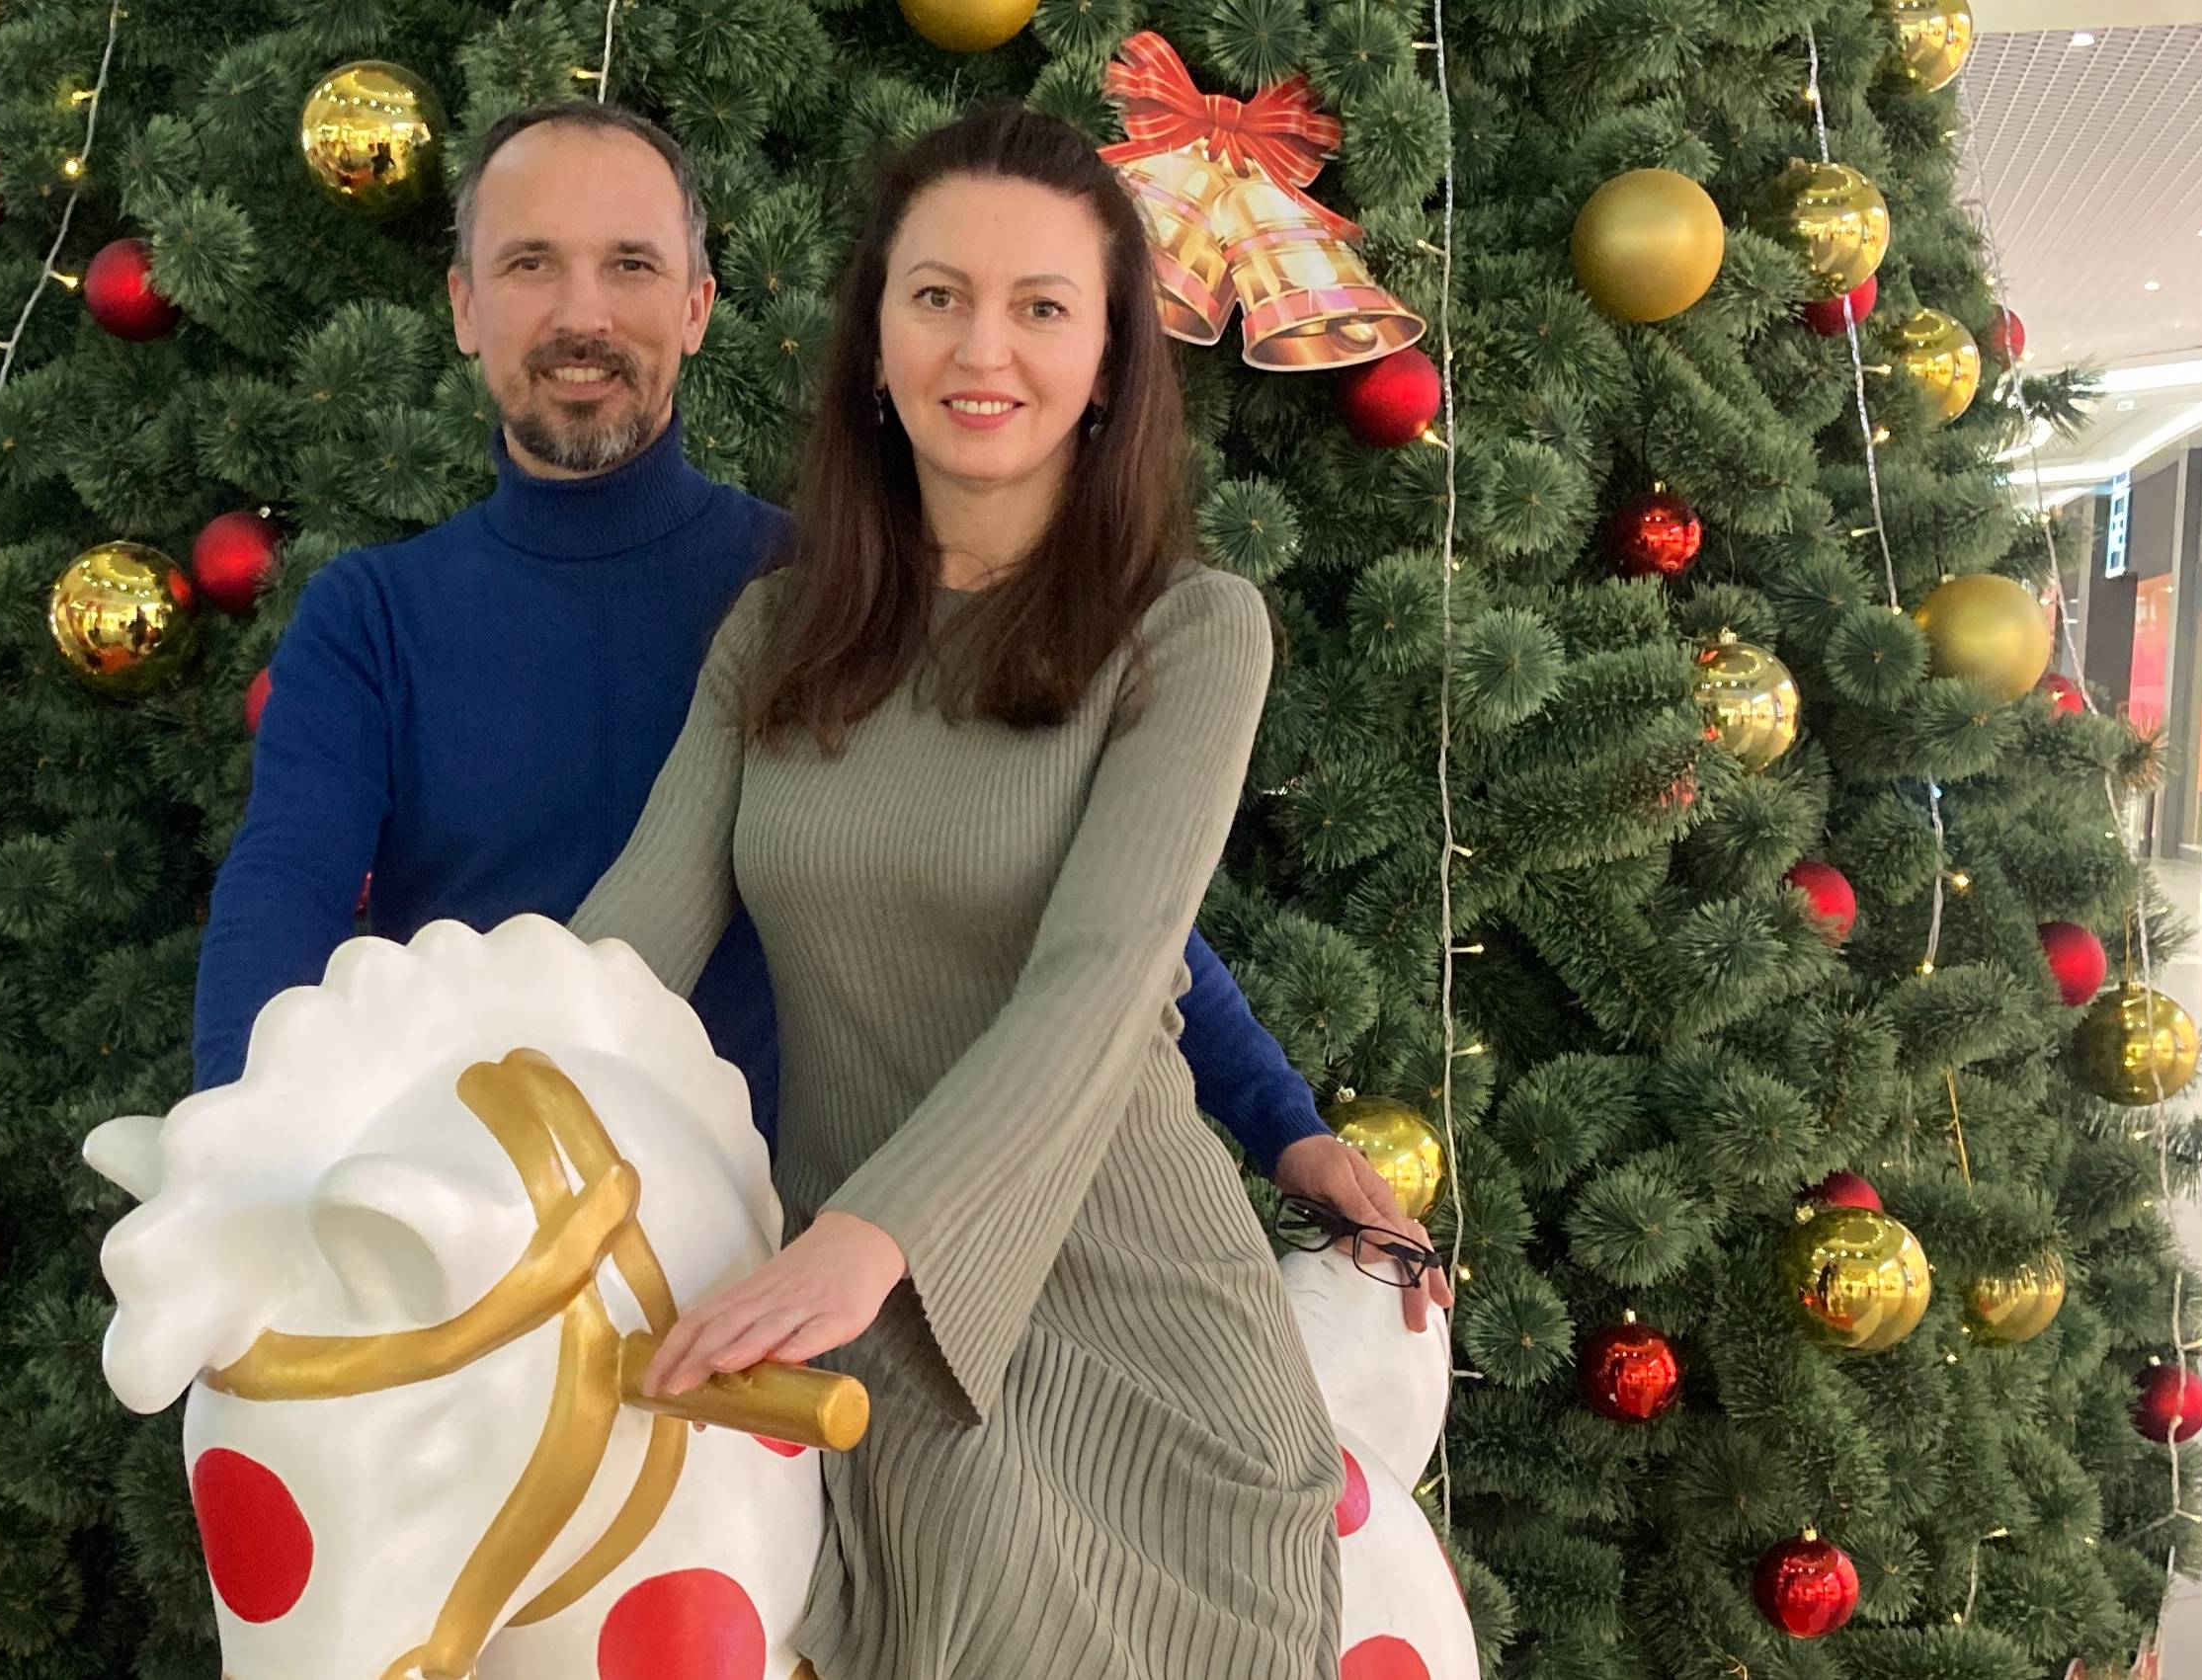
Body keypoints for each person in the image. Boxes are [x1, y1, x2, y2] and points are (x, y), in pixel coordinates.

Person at [188, 102, 1441, 1307]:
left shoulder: (831, 591)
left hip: (784, 1231)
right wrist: (248, 1179)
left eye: (630, 265)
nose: (582, 314)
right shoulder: (379, 614)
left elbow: (1085, 896)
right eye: (529, 264)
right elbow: (285, 885)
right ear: (465, 305)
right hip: (498, 1213)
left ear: (696, 307)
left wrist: (1278, 1120)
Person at [572, 106, 1398, 1679]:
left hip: (1131, 1336)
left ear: (1109, 363)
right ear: (876, 342)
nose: (983, 348)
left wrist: (871, 1233)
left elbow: (1101, 984)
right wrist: (430, 1095)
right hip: (857, 1323)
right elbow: (621, 953)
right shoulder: (773, 637)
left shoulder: (1191, 632)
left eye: (1042, 306)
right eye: (938, 295)